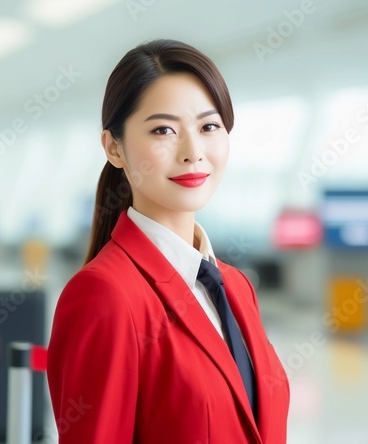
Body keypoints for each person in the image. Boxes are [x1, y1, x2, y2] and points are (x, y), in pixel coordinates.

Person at [46, 39, 289, 443]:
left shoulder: (236, 287)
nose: (193, 152)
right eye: (163, 130)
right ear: (114, 148)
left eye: (209, 127)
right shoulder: (105, 295)